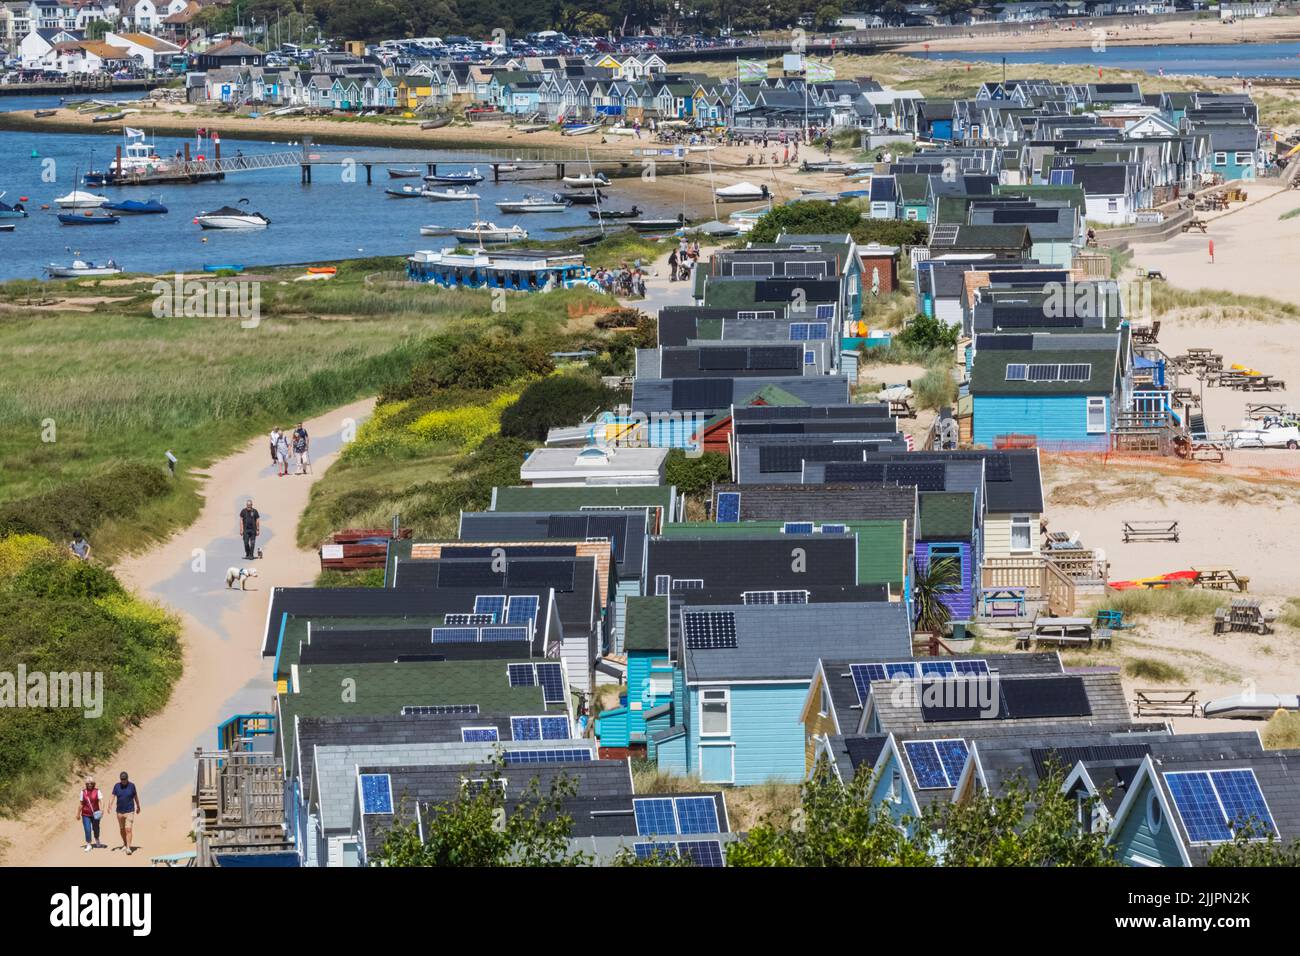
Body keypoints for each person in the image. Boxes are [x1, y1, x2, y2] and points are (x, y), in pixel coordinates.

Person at [109, 771, 140, 855]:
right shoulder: (117, 786)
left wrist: (138, 806)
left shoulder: (132, 786)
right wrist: (110, 805)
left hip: (130, 810)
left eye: (124, 779)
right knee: (122, 829)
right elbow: (112, 795)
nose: (123, 781)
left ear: (127, 778)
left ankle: (129, 848)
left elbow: (135, 796)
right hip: (119, 812)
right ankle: (125, 843)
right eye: (122, 779)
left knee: (128, 829)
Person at [77, 778, 103, 852]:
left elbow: (101, 801)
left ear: (93, 784)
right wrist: (78, 813)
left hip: (96, 814)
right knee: (87, 829)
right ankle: (88, 844)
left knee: (96, 828)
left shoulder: (97, 791)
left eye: (91, 783)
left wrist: (102, 810)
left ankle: (97, 839)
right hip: (85, 814)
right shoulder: (83, 792)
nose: (89, 785)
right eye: (88, 784)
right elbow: (81, 804)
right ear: (86, 784)